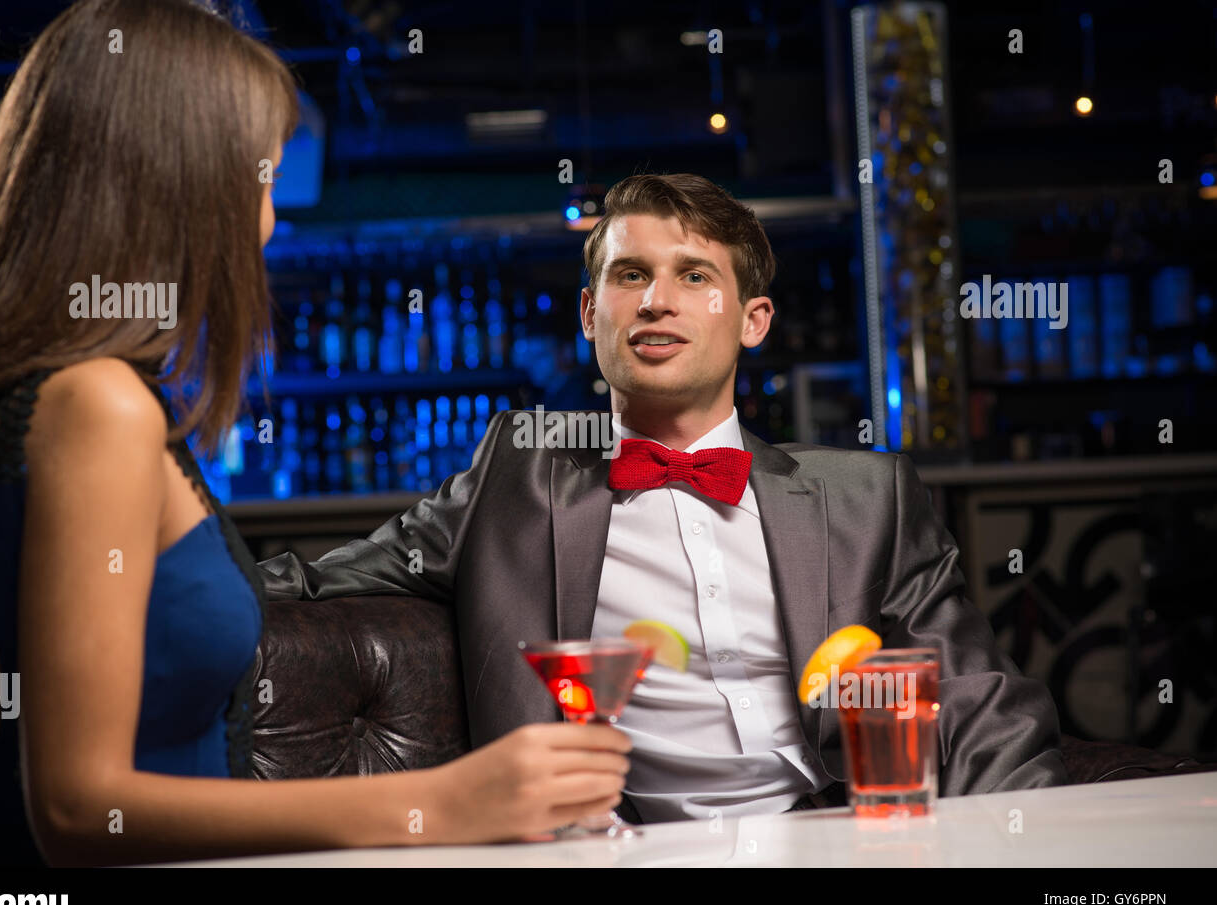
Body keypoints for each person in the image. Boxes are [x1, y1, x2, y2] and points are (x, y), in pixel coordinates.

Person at [0, 0, 630, 867]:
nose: (265, 221)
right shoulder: (95, 408)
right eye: (257, 179)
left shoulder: (7, 410)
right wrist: (441, 799)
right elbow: (75, 809)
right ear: (174, 181)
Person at [259, 173, 1069, 824]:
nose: (656, 300)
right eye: (630, 275)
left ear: (753, 320)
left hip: (844, 832)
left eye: (694, 276)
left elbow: (983, 702)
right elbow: (317, 578)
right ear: (591, 312)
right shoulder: (518, 474)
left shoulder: (867, 497)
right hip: (628, 847)